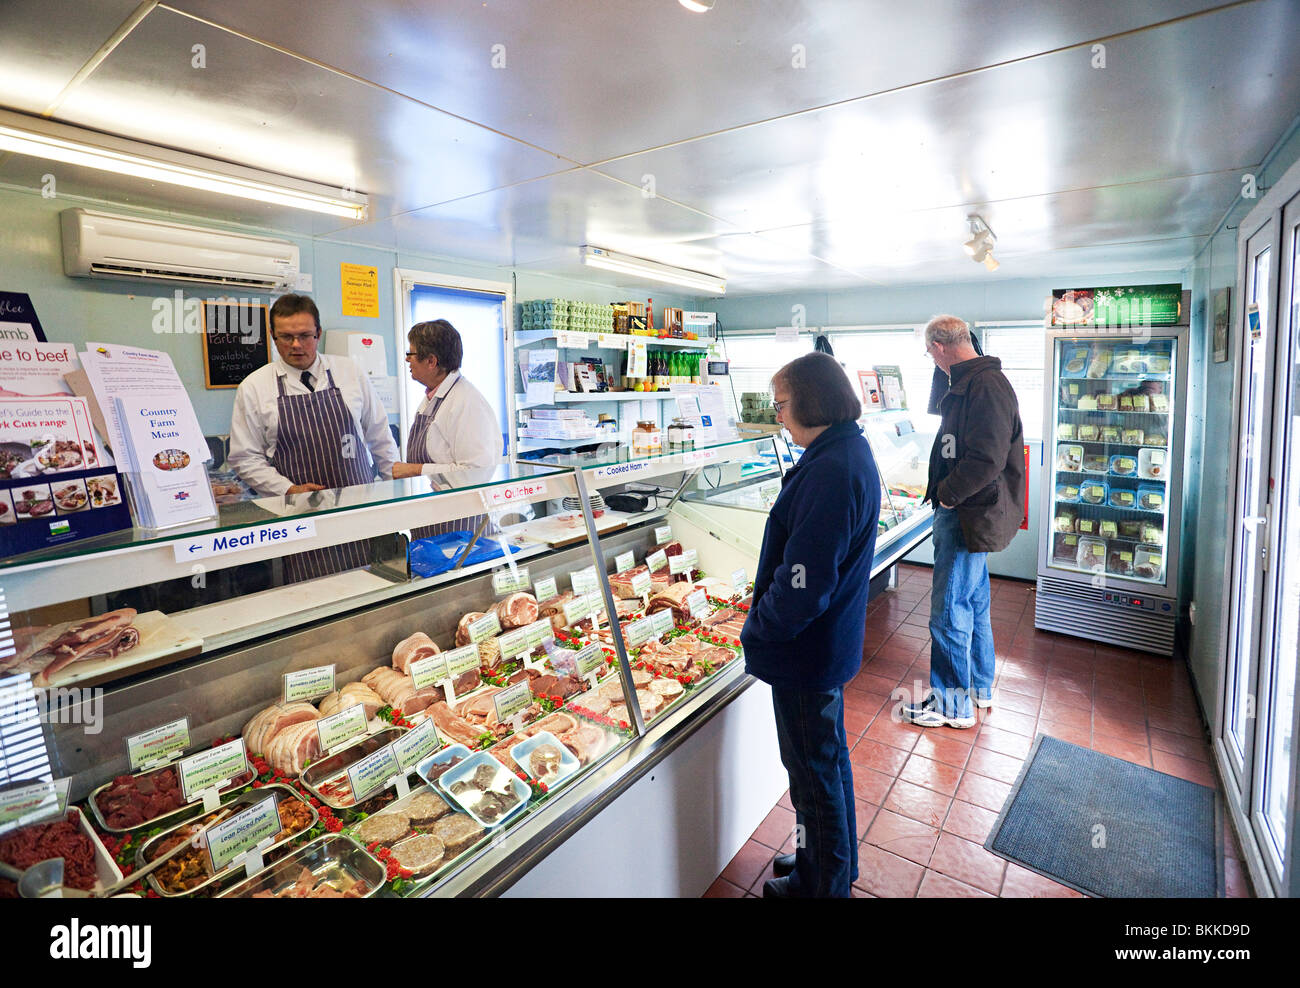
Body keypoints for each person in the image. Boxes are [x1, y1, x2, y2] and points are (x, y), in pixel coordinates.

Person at [741, 352, 882, 898]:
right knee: (824, 766)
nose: (777, 415)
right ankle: (824, 863)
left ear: (810, 400)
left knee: (813, 777)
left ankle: (820, 885)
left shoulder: (830, 469)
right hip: (827, 644)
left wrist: (758, 627)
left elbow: (804, 585)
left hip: (806, 651)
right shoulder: (843, 448)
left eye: (780, 404)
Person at [903, 315, 1024, 729]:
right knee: (973, 602)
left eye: (929, 352)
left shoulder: (984, 385)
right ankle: (979, 687)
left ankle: (952, 707)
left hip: (967, 514)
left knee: (949, 611)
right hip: (976, 514)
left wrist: (946, 496)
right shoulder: (975, 379)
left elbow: (986, 460)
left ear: (938, 347)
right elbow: (948, 424)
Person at [228, 293, 399, 581]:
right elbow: (244, 458)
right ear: (272, 336)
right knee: (315, 596)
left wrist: (397, 492)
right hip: (300, 521)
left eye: (305, 335)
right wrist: (288, 490)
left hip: (360, 512)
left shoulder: (350, 372)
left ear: (318, 333)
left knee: (373, 587)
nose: (296, 345)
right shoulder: (254, 387)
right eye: (286, 337)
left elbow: (379, 435)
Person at [390, 319, 501, 539]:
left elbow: (475, 471)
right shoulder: (434, 397)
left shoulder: (466, 401)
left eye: (411, 354)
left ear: (431, 361)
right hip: (433, 520)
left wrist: (415, 470)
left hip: (460, 528)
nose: (406, 359)